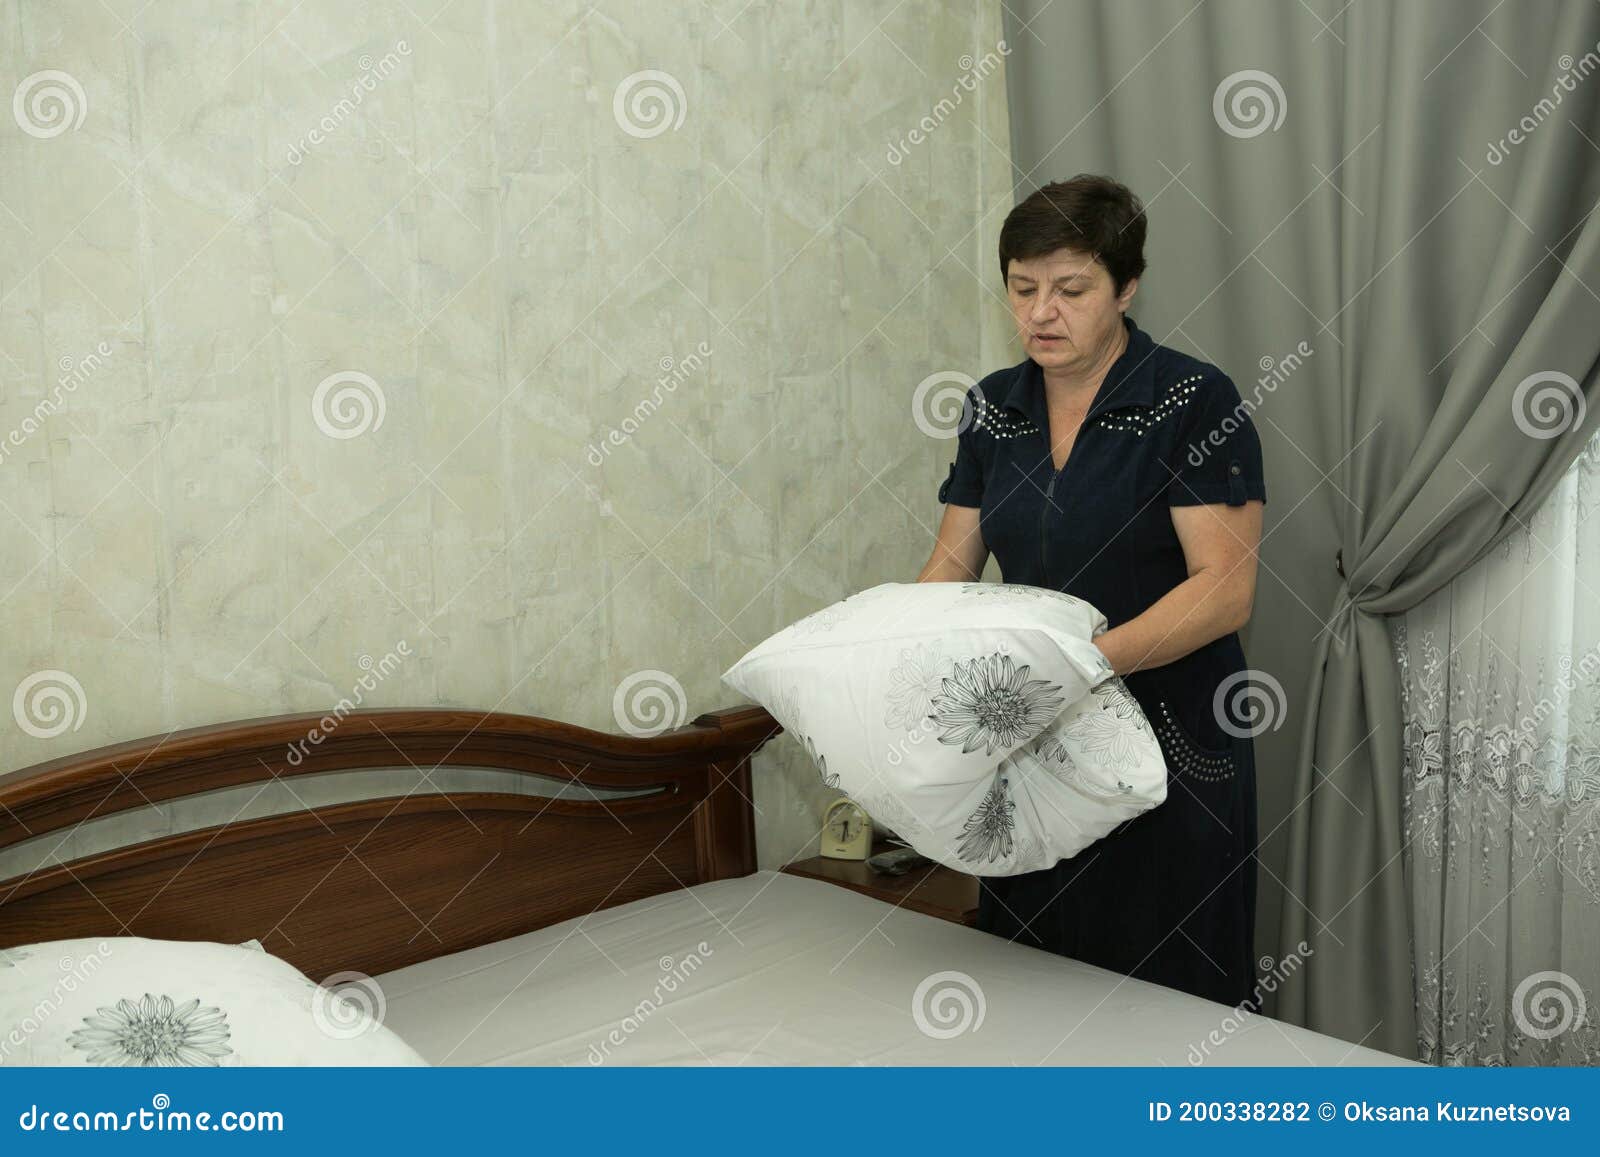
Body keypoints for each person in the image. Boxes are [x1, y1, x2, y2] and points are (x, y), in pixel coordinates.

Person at [916, 174, 1267, 1008]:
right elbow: (949, 570)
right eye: (1022, 288)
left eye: (1071, 290)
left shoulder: (1191, 399)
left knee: (1166, 999)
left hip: (1172, 746)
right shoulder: (992, 408)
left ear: (1126, 287)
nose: (1041, 312)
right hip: (1031, 748)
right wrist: (884, 665)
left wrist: (1079, 664)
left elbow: (1225, 589)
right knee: (1036, 993)